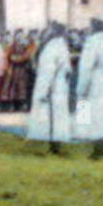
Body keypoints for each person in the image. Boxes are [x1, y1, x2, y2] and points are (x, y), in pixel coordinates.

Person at [26, 22, 72, 154]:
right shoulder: (62, 45)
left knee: (50, 116)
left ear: (52, 32)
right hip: (61, 85)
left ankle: (53, 147)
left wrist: (44, 90)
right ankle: (55, 146)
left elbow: (48, 71)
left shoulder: (52, 47)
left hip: (52, 86)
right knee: (58, 116)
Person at [73, 18, 103, 158]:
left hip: (93, 79)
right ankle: (101, 144)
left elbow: (87, 65)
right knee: (102, 113)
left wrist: (81, 86)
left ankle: (86, 141)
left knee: (85, 109)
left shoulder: (92, 42)